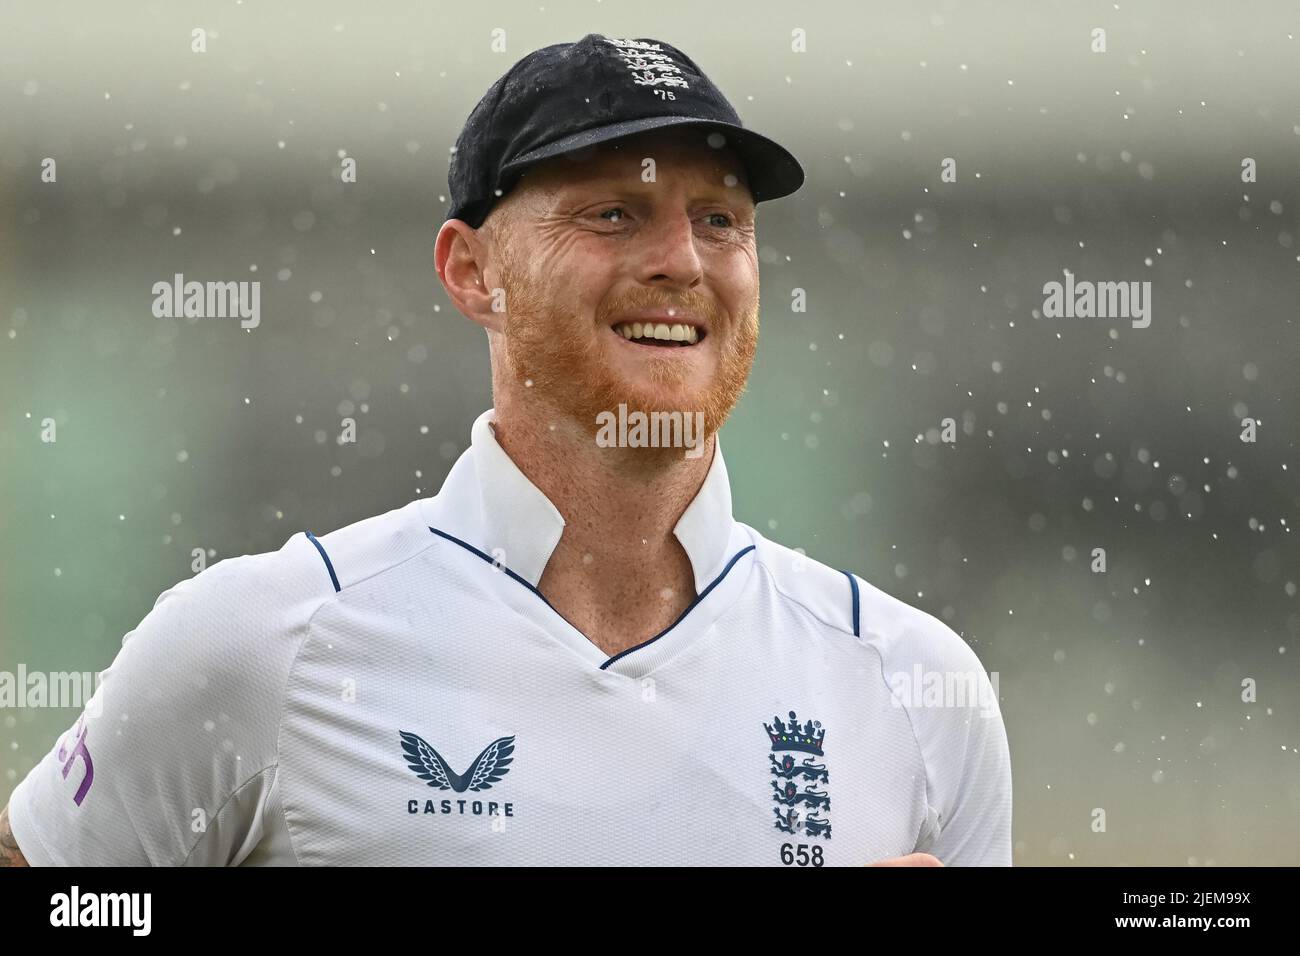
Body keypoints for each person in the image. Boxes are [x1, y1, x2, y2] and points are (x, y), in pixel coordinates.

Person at [2, 33, 1010, 867]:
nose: (681, 262)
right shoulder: (251, 643)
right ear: (471, 270)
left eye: (720, 220)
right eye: (614, 213)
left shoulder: (916, 687)